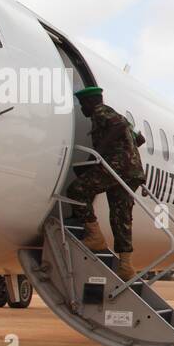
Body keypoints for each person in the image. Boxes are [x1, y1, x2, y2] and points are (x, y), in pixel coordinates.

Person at [66, 86, 146, 281]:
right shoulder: (119, 117)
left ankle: (95, 237)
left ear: (90, 102)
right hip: (133, 172)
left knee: (76, 190)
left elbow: (117, 127)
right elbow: (139, 139)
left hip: (117, 168)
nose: (83, 109)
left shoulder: (100, 111)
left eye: (83, 104)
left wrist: (101, 150)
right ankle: (126, 265)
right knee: (121, 217)